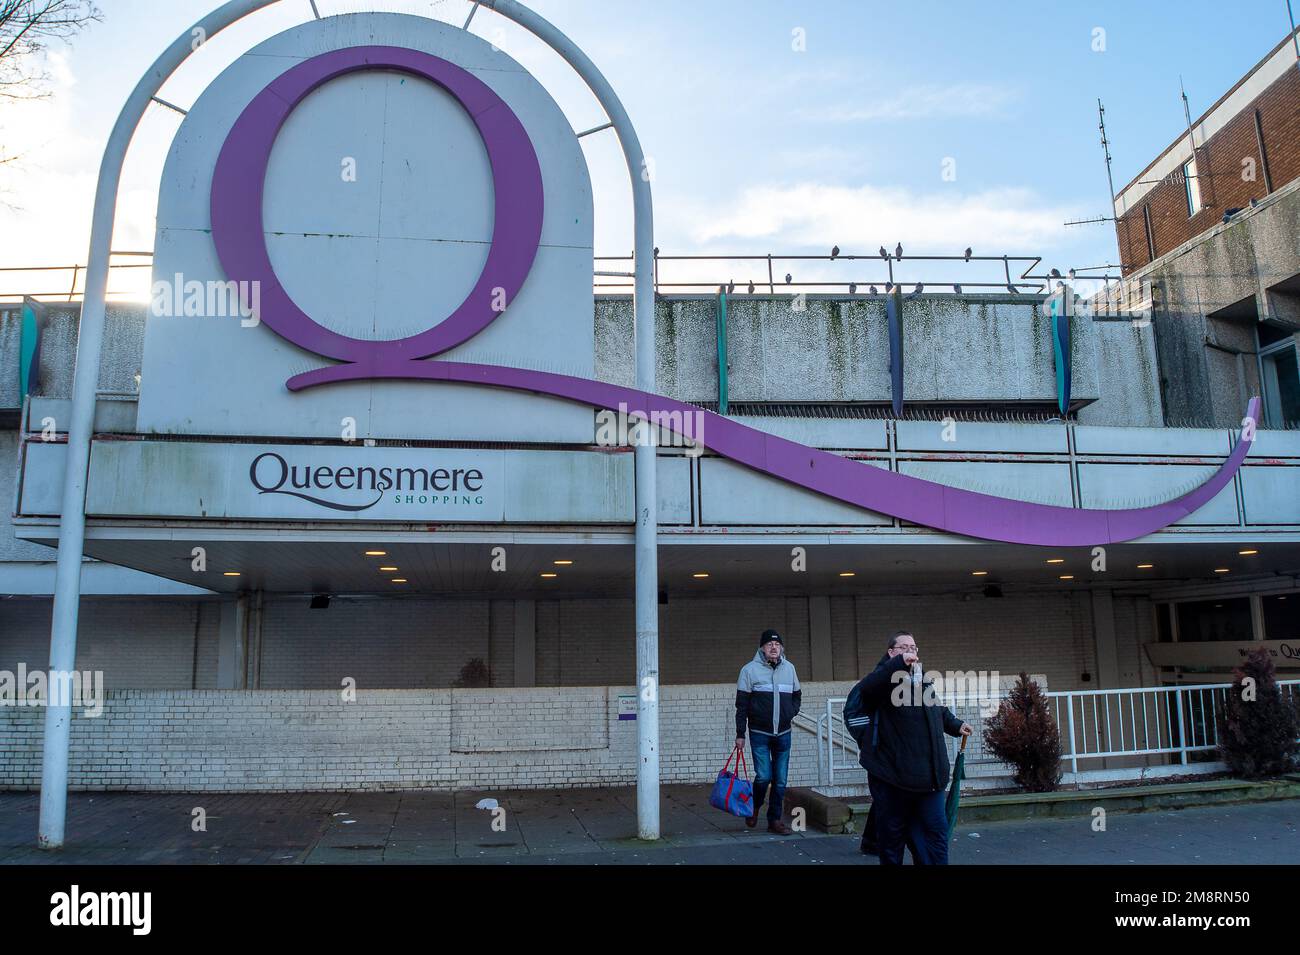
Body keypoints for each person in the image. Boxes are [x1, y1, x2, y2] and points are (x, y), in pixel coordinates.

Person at [850, 630, 972, 865]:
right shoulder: (882, 680)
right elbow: (866, 690)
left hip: (930, 779)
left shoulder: (922, 678)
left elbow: (937, 710)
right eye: (904, 647)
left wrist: (956, 725)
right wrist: (897, 666)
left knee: (935, 834)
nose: (910, 651)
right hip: (894, 779)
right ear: (891, 653)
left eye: (913, 648)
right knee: (892, 839)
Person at [734, 628, 801, 834]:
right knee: (763, 776)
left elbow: (797, 695)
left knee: (780, 780)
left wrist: (790, 713)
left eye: (777, 644)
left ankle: (774, 821)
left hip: (783, 733)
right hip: (759, 732)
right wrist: (740, 733)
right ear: (762, 648)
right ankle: (754, 807)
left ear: (781, 648)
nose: (774, 647)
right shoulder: (749, 670)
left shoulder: (789, 669)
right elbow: (742, 705)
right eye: (770, 644)